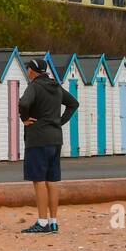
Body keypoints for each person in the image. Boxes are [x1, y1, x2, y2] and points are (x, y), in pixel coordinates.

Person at [17, 56, 80, 234]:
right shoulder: (55, 86)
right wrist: (60, 122)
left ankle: (42, 222)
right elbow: (73, 103)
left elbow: (23, 103)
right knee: (52, 181)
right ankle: (53, 222)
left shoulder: (35, 86)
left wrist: (25, 118)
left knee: (39, 181)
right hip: (55, 138)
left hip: (38, 139)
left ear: (31, 71)